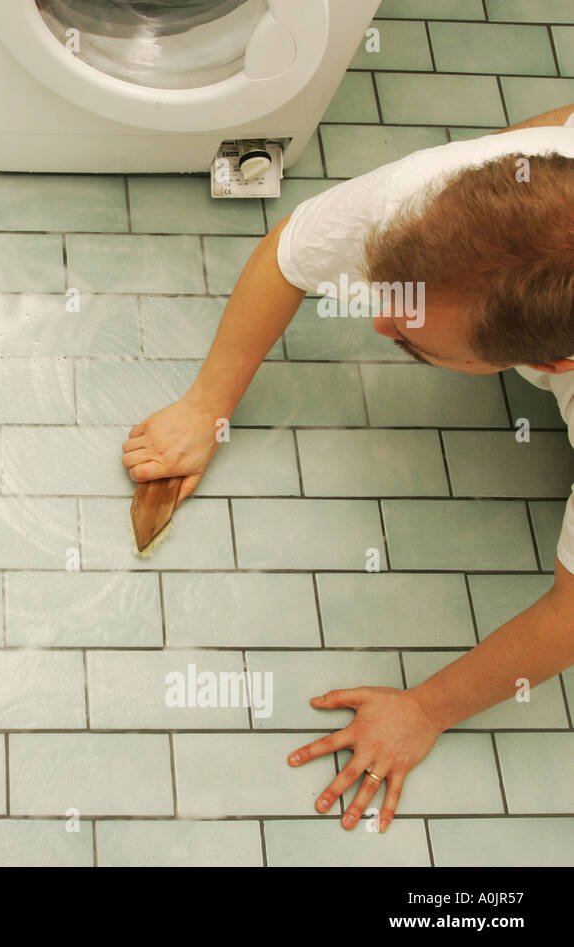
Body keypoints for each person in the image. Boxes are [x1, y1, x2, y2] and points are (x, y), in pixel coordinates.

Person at [122, 105, 574, 832]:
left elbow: (571, 616)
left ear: (551, 363)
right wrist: (208, 405)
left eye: (416, 339)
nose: (380, 325)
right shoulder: (439, 191)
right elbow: (290, 254)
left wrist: (424, 710)